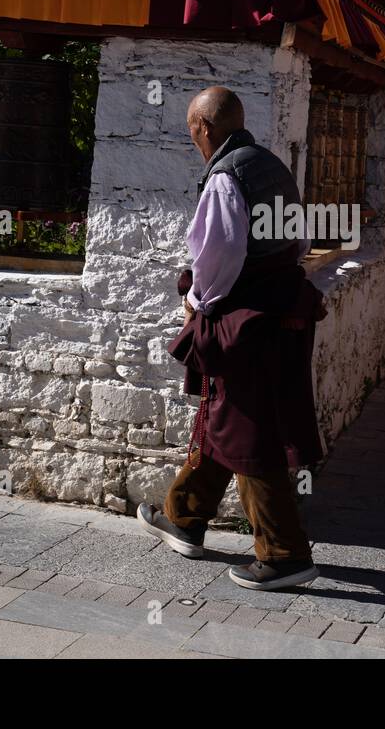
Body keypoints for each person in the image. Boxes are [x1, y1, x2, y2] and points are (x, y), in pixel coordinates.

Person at [136, 86, 325, 591]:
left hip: (249, 320)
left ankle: (285, 553)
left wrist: (197, 304)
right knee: (226, 415)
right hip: (282, 306)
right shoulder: (270, 165)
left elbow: (217, 255)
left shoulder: (226, 176)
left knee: (249, 428)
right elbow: (299, 240)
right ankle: (184, 516)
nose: (194, 139)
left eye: (192, 131)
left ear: (204, 128)